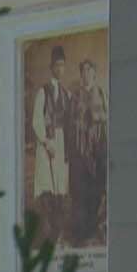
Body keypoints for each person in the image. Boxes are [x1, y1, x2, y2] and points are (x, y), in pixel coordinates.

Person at [29, 44, 75, 247]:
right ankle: (46, 238)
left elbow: (70, 121)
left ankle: (58, 236)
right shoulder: (43, 91)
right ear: (51, 67)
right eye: (56, 65)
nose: (60, 69)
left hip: (62, 142)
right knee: (47, 190)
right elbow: (37, 120)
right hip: (47, 142)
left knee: (60, 191)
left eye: (62, 65)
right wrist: (47, 143)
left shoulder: (66, 94)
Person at [70, 58, 108, 247]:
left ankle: (94, 227)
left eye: (89, 70)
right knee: (80, 191)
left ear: (94, 73)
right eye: (83, 70)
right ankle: (81, 231)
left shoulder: (100, 92)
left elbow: (106, 117)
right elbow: (72, 121)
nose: (86, 74)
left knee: (96, 188)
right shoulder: (76, 95)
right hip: (80, 149)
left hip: (98, 146)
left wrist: (96, 118)